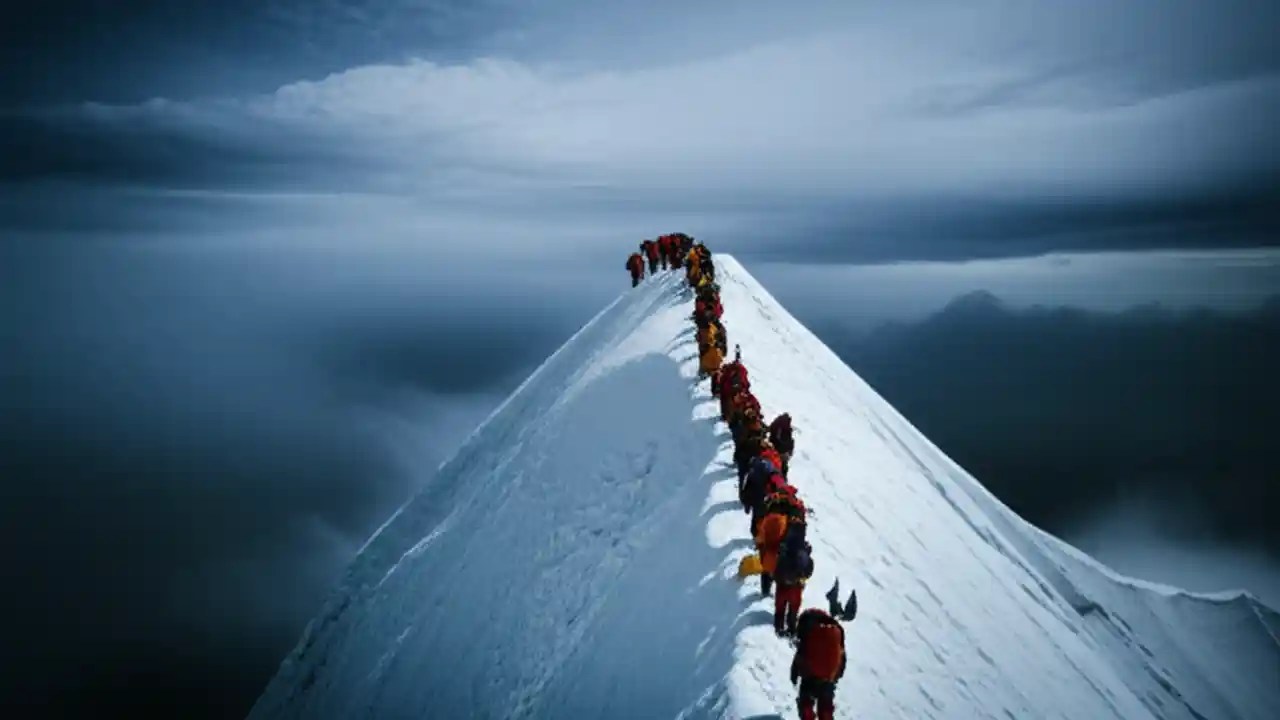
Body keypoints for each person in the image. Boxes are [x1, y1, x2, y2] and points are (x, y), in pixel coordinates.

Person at [789, 608, 847, 720]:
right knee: (825, 706)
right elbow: (842, 655)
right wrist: (835, 676)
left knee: (806, 702)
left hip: (810, 676)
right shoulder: (837, 629)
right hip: (828, 676)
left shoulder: (808, 626)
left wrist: (794, 673)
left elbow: (801, 653)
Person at [772, 519, 813, 636]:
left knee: (780, 608)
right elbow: (809, 569)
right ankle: (792, 628)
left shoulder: (785, 546)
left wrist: (776, 577)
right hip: (797, 585)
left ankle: (779, 628)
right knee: (794, 609)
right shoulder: (804, 549)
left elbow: (777, 566)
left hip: (782, 584)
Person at [753, 505, 788, 597]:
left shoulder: (766, 521)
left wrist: (758, 544)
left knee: (766, 573)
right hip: (780, 557)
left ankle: (765, 592)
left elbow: (760, 537)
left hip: (768, 554)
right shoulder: (784, 521)